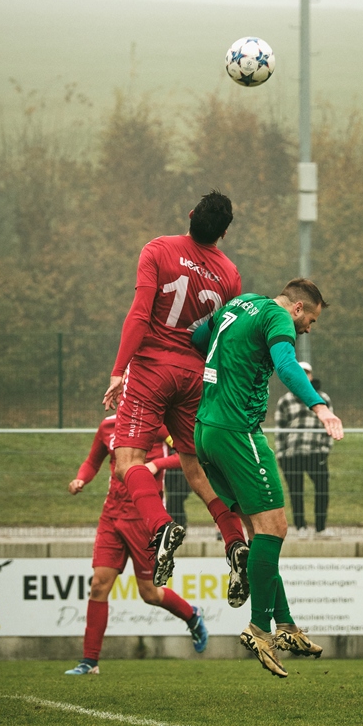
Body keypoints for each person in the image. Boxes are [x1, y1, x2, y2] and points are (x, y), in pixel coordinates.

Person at [191, 278, 344, 678]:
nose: (308, 328)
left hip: (205, 430)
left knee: (261, 534)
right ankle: (260, 628)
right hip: (238, 432)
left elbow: (196, 338)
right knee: (276, 527)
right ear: (297, 309)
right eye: (309, 320)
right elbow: (287, 365)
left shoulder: (240, 303)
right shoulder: (278, 316)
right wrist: (319, 407)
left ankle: (287, 625)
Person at [103, 191, 250, 605]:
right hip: (195, 377)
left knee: (128, 459)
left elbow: (138, 312)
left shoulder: (158, 249)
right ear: (223, 233)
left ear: (190, 216)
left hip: (151, 369)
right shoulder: (230, 275)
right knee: (196, 468)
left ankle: (160, 525)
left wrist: (118, 371)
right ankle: (234, 541)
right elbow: (225, 339)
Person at [64, 414, 208, 675]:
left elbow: (187, 454)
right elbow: (92, 461)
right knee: (98, 585)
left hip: (145, 517)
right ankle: (89, 661)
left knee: (150, 593)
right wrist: (80, 479)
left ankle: (191, 615)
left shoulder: (159, 424)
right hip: (112, 515)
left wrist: (156, 465)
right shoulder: (108, 425)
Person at [275, 361, 334, 537]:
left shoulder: (323, 398)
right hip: (292, 454)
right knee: (296, 491)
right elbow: (279, 429)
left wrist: (325, 449)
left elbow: (330, 426)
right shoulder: (285, 400)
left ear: (311, 376)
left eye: (307, 373)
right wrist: (281, 454)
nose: (304, 376)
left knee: (322, 489)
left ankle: (320, 528)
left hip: (316, 453)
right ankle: (300, 527)